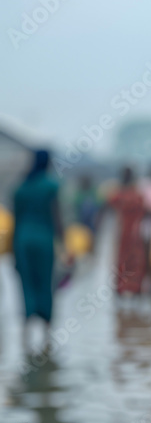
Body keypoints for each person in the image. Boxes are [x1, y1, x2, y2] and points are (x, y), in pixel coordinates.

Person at [12, 150, 62, 351]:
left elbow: (16, 220)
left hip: (22, 240)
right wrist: (65, 243)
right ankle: (47, 335)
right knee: (46, 282)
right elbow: (57, 216)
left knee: (26, 283)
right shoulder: (50, 186)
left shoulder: (21, 188)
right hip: (43, 241)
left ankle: (25, 335)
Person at [109, 167, 148, 297]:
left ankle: (121, 288)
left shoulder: (118, 195)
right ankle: (135, 288)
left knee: (122, 259)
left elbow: (110, 203)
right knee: (136, 260)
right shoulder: (138, 195)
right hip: (135, 232)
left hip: (123, 232)